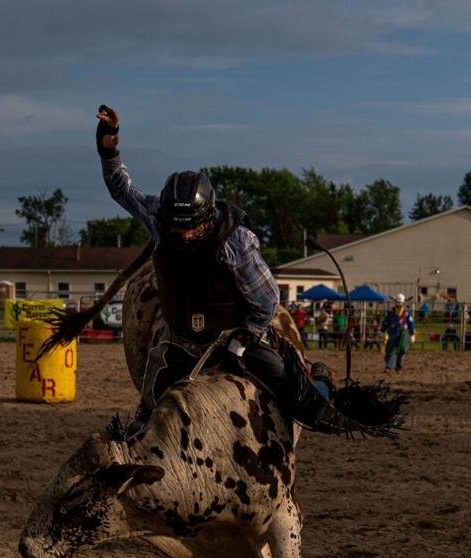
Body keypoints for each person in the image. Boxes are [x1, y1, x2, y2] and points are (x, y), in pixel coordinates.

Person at [94, 104, 393, 437]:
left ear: (207, 217)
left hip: (235, 337)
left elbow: (266, 301)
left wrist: (246, 335)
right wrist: (108, 143)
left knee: (301, 404)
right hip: (180, 344)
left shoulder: (236, 242)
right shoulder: (161, 218)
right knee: (143, 422)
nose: (183, 235)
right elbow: (122, 189)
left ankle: (320, 384)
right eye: (177, 228)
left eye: (192, 228)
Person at [381, 294, 413, 374]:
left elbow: (411, 323)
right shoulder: (390, 312)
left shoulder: (407, 313)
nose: (399, 304)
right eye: (397, 303)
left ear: (403, 303)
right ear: (395, 302)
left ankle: (399, 368)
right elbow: (385, 322)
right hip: (392, 331)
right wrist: (382, 330)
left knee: (402, 350)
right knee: (390, 349)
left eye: (400, 303)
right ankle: (388, 367)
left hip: (403, 333)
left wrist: (412, 334)